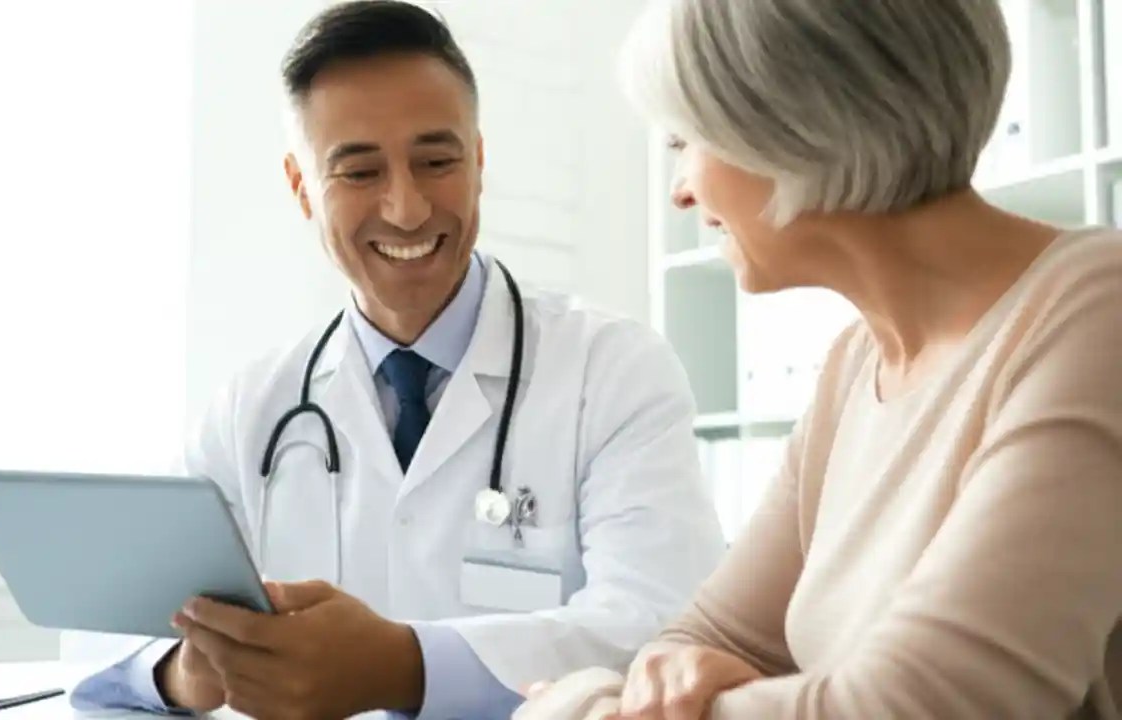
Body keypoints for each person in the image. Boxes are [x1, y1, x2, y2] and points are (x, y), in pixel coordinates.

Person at [68, 2, 725, 718]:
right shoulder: (252, 409)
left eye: (436, 161)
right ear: (300, 189)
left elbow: (658, 626)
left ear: (478, 161)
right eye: (358, 172)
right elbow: (107, 639)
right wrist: (189, 675)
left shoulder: (614, 370)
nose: (407, 207)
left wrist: (401, 666)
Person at [517, 0, 1122, 717]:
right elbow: (697, 639)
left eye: (686, 141)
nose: (681, 191)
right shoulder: (853, 366)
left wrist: (581, 703)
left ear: (789, 125)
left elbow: (930, 706)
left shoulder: (1096, 315)